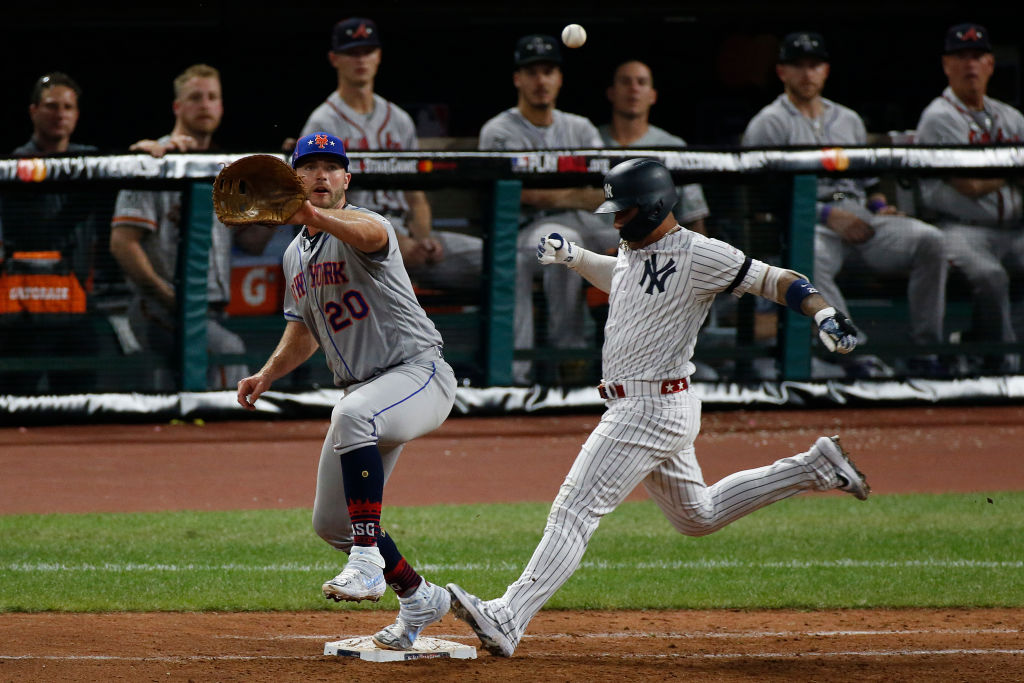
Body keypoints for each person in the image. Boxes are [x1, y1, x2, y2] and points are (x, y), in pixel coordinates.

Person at [445, 158, 871, 657]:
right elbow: (624, 279)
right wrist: (575, 256)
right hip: (658, 404)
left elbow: (775, 278)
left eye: (623, 211)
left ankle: (508, 616)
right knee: (698, 515)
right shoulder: (633, 249)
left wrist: (821, 311)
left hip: (648, 406)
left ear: (653, 207)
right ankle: (815, 467)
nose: (615, 219)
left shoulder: (698, 253)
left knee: (574, 510)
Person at [236, 131, 456, 651]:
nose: (321, 175)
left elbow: (369, 237)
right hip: (369, 393)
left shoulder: (366, 222)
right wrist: (267, 373)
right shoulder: (295, 255)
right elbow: (305, 328)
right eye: (310, 167)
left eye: (332, 167)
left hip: (418, 374)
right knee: (331, 522)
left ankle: (367, 564)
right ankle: (418, 596)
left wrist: (311, 216)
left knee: (352, 416)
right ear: (295, 179)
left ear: (346, 179)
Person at [742, 32, 950, 378]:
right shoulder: (768, 123)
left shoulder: (849, 119)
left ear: (826, 70)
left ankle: (925, 351)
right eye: (798, 66)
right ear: (782, 72)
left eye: (815, 65)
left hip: (862, 217)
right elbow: (763, 196)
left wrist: (881, 206)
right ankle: (854, 350)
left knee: (932, 241)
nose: (807, 73)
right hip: (811, 222)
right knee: (808, 257)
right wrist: (824, 214)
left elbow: (869, 183)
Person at [109, 64, 272, 390]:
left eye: (213, 97)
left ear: (222, 107)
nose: (205, 104)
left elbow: (253, 242)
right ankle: (233, 435)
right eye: (195, 97)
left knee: (173, 394)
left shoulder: (224, 169)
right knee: (228, 351)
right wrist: (166, 295)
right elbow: (122, 243)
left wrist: (275, 200)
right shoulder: (155, 159)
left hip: (208, 310)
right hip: (157, 307)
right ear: (177, 107)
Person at [299, 17, 482, 293]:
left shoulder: (399, 120)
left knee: (497, 261)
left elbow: (416, 196)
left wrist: (423, 239)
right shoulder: (323, 124)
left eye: (367, 51)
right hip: (349, 241)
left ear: (379, 56)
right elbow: (321, 207)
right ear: (334, 59)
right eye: (352, 52)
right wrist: (391, 241)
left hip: (404, 235)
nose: (361, 60)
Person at [478, 33, 615, 386]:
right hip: (525, 231)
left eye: (549, 71)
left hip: (586, 222)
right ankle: (567, 356)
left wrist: (556, 195)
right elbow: (520, 196)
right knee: (560, 241)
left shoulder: (580, 128)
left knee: (641, 243)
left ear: (560, 78)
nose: (541, 80)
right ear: (517, 79)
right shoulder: (498, 130)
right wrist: (569, 196)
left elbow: (600, 190)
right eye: (533, 72)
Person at [915, 22, 1024, 374]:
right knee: (991, 276)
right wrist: (1011, 172)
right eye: (961, 57)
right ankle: (1003, 365)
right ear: (947, 65)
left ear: (990, 64)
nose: (970, 65)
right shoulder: (938, 117)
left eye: (977, 56)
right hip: (958, 229)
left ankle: (978, 341)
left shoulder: (1010, 117)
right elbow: (969, 184)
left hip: (1013, 228)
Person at [0, 73, 101, 393]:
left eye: (68, 107)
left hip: (77, 305)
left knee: (82, 402)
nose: (60, 114)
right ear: (33, 111)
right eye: (51, 106)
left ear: (77, 114)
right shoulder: (12, 166)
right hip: (23, 308)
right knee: (17, 401)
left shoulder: (96, 163)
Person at [599, 60, 709, 235]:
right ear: (611, 93)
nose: (633, 88)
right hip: (593, 246)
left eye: (641, 82)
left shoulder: (674, 146)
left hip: (653, 248)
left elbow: (693, 217)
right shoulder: (591, 141)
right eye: (626, 82)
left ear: (653, 95)